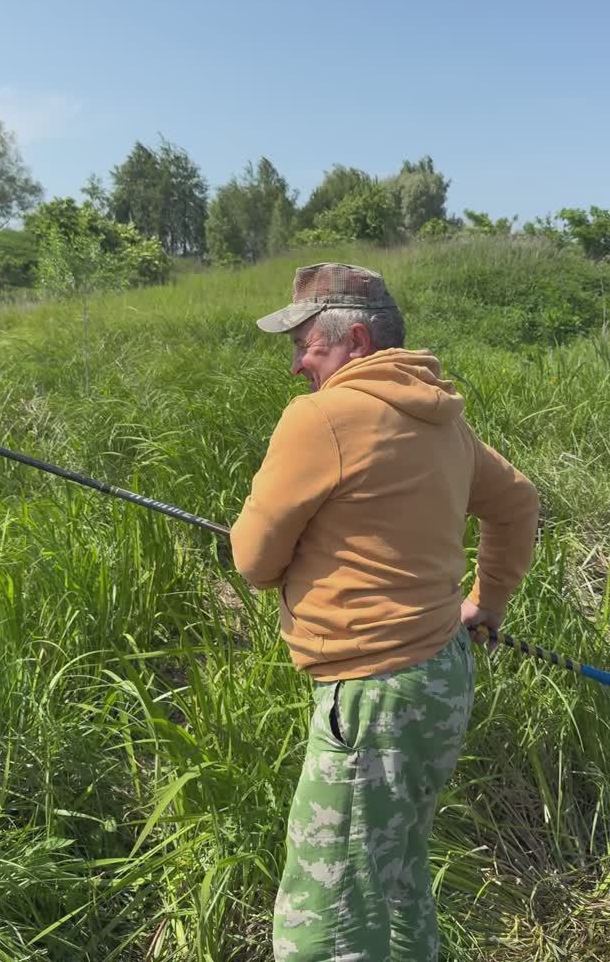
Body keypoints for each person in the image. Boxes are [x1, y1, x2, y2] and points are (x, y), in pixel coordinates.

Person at [230, 262, 539, 962]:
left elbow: (252, 562)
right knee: (394, 880)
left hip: (370, 700)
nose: (296, 365)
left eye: (306, 343)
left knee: (323, 924)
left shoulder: (322, 418)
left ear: (355, 339)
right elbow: (518, 504)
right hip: (440, 680)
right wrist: (486, 605)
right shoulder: (439, 416)